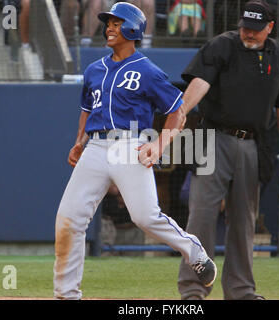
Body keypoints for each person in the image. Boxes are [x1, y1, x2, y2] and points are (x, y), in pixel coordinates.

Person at [53, 2, 216, 300]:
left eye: (117, 23)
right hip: (96, 146)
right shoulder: (93, 69)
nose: (109, 27)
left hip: (130, 145)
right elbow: (87, 109)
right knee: (68, 219)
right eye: (108, 23)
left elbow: (178, 110)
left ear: (132, 29)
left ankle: (193, 248)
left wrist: (159, 144)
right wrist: (79, 140)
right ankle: (66, 295)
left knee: (145, 216)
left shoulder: (148, 71)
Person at [174, 0, 279, 300]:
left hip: (254, 144)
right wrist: (181, 113)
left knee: (244, 220)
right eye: (245, 26)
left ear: (270, 27)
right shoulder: (222, 45)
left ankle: (241, 291)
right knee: (201, 217)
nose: (249, 33)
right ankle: (194, 290)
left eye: (256, 29)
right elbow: (200, 82)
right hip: (211, 138)